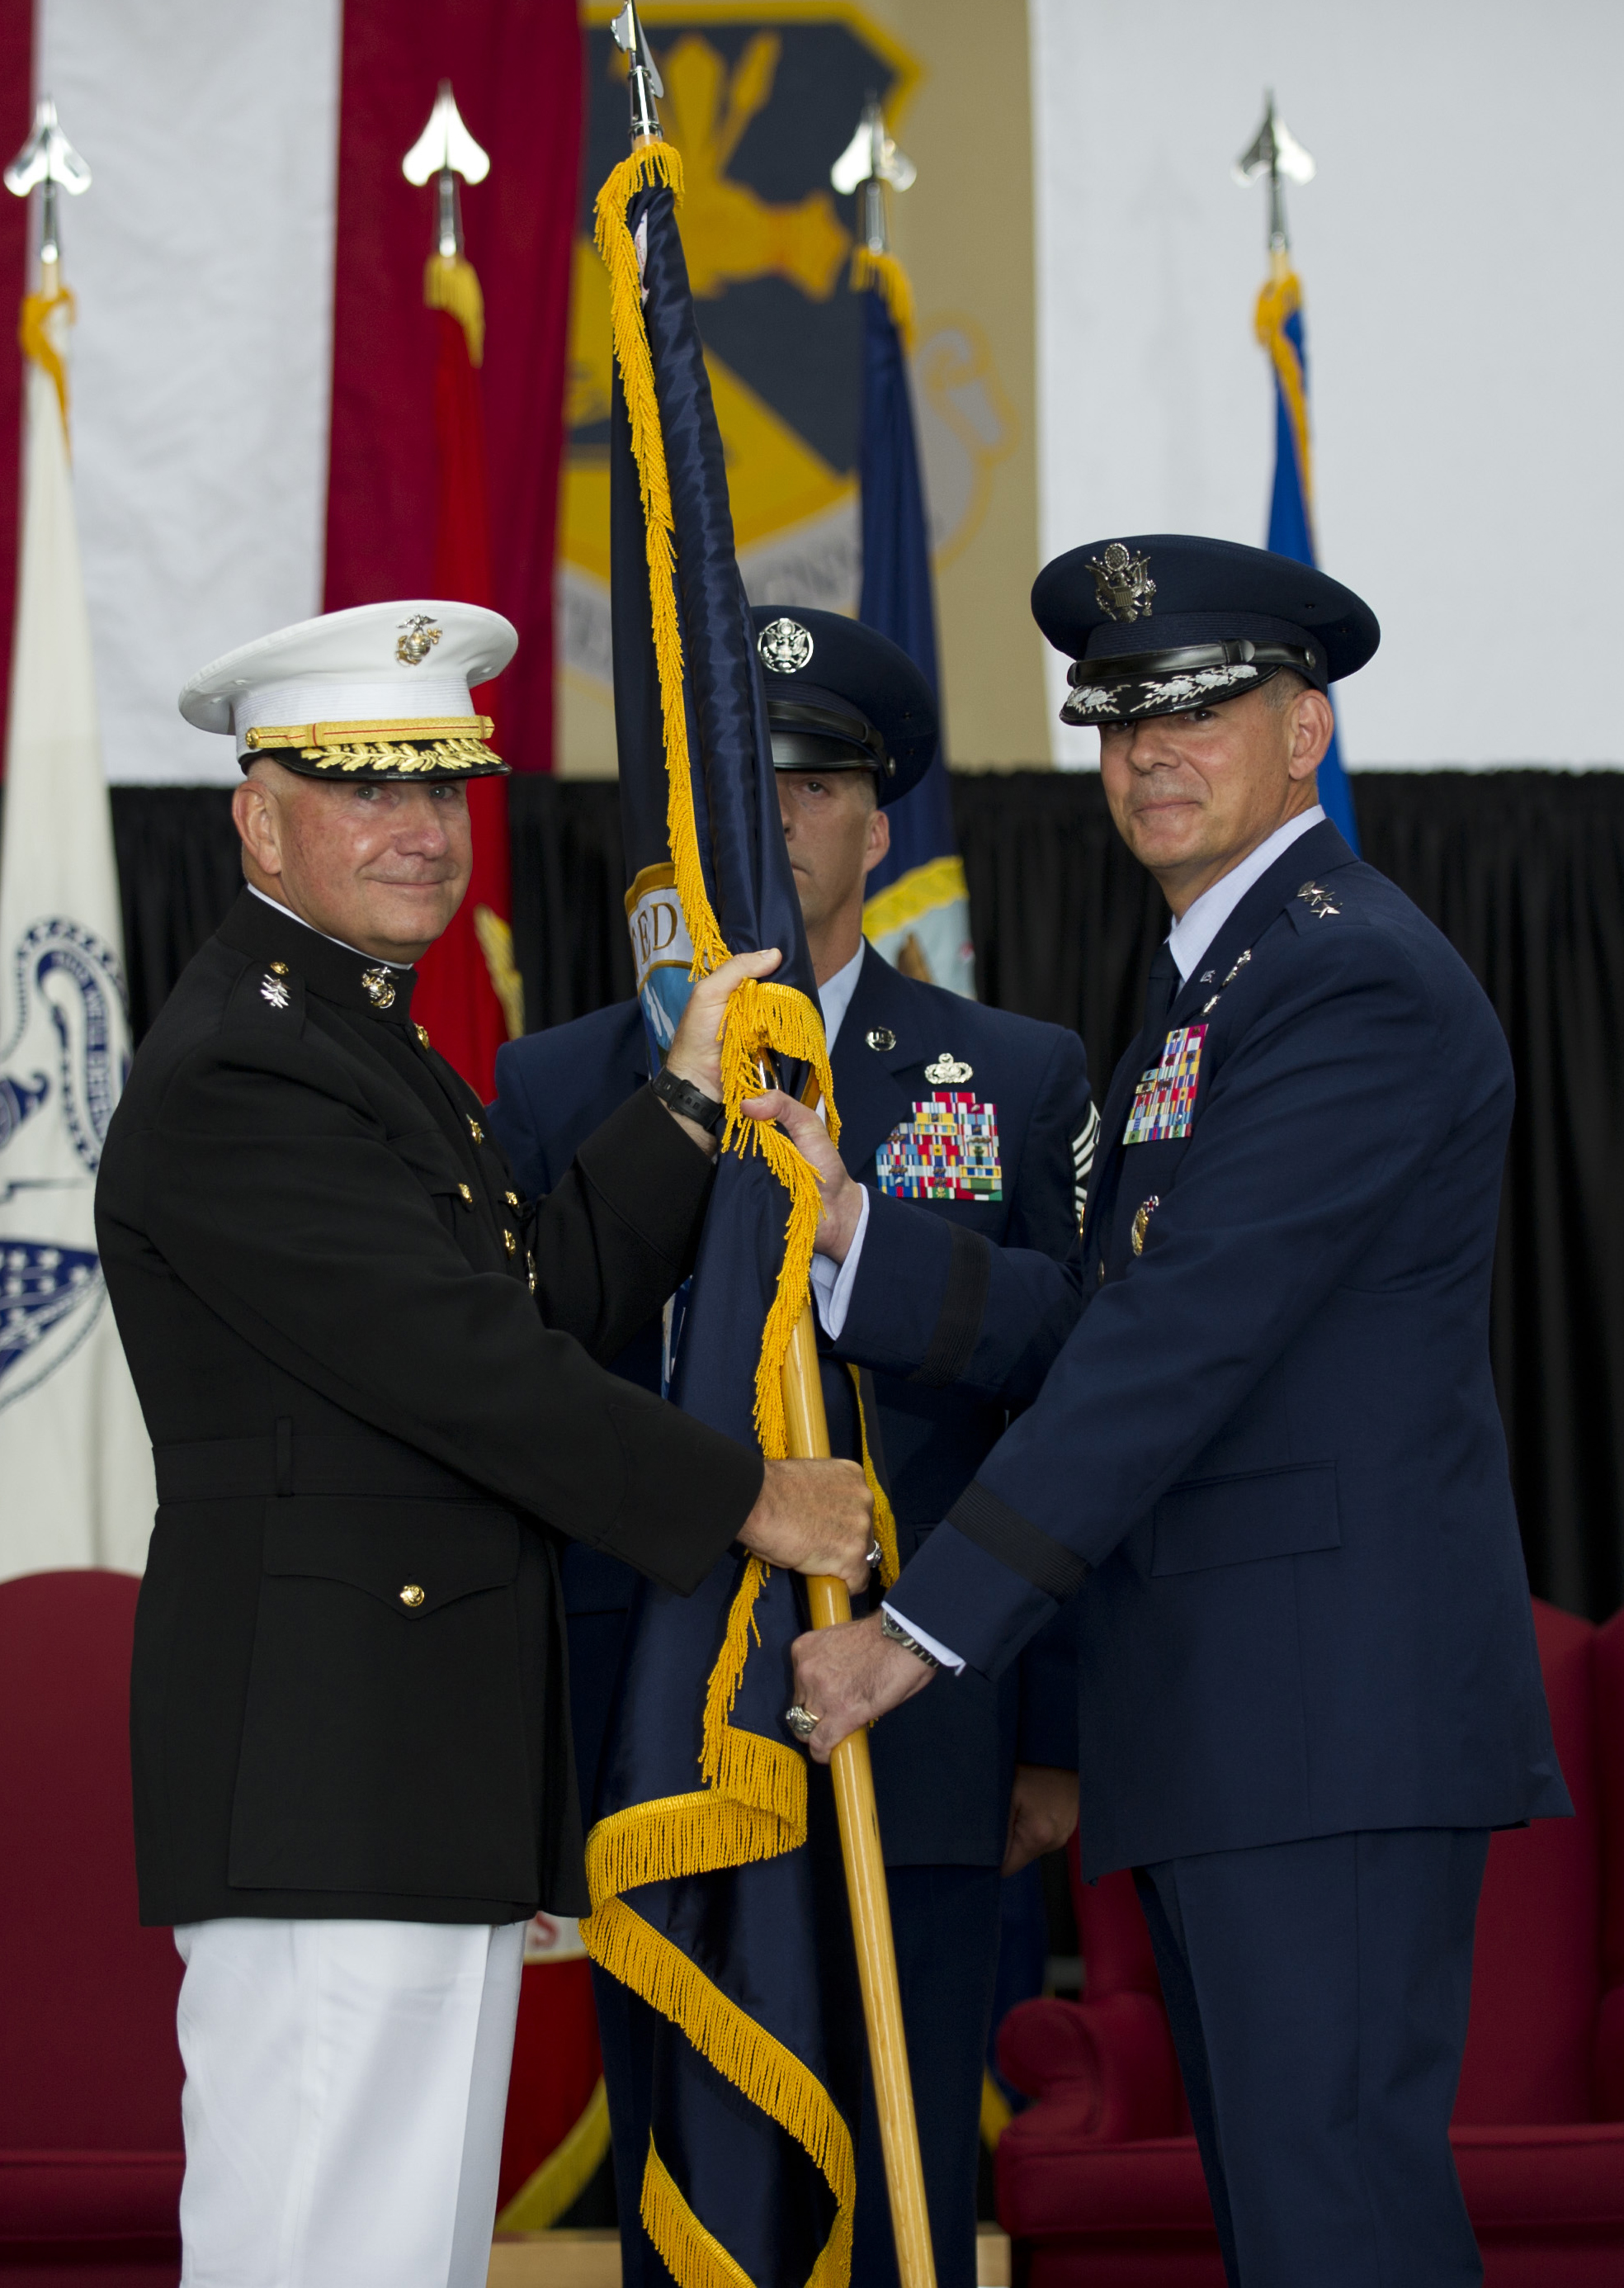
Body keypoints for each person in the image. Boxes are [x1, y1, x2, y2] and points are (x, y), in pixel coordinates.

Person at [781, 537, 1570, 2288]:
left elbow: (1176, 1346)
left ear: (1309, 729)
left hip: (1321, 1718)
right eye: (1122, 717)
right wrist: (856, 1237)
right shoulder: (1224, 980)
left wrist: (919, 1633)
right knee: (1291, 2231)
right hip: (1246, 1723)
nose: (1151, 751)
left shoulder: (1345, 975)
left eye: (1201, 712)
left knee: (1336, 2230)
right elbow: (1116, 1309)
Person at [94, 600, 871, 2288]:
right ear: (257, 814)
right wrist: (752, 1501)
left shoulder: (361, 1039)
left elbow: (539, 1293)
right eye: (367, 788)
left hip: (400, 1771)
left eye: (444, 792)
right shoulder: (246, 1068)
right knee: (321, 2250)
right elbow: (467, 1372)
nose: (421, 830)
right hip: (327, 1773)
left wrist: (675, 1101)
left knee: (407, 2256)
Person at [489, 607, 1092, 2288]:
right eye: (734, 798)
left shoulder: (1013, 1074)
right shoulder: (561, 1083)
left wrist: (1054, 1730)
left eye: (809, 789)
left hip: (923, 1720)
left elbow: (1079, 1379)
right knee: (686, 2165)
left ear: (877, 827)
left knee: (906, 2188)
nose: (771, 832)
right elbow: (518, 1386)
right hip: (655, 1708)